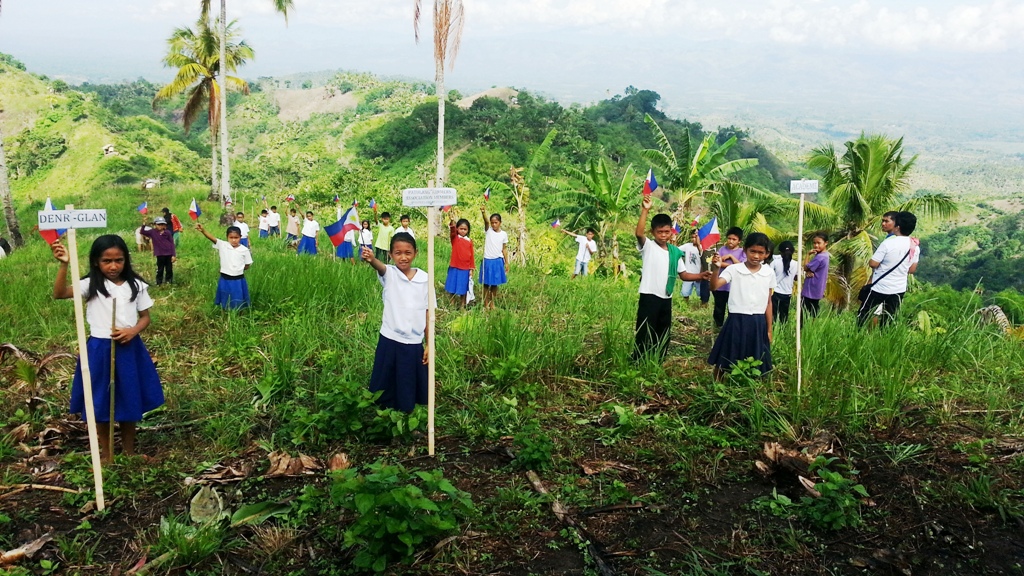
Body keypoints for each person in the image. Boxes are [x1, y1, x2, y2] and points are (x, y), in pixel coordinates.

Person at [50, 235, 164, 463]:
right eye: (107, 261)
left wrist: (132, 331)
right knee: (100, 400)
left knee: (129, 396)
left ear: (126, 260)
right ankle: (107, 453)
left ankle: (130, 451)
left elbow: (145, 317)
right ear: (95, 262)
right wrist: (64, 264)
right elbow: (60, 293)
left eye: (119, 260)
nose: (113, 266)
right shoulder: (91, 285)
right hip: (99, 350)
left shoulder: (136, 285)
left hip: (128, 348)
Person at [362, 233, 433, 413]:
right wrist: (371, 259)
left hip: (413, 342)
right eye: (398, 253)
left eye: (408, 252)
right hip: (390, 339)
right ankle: (383, 415)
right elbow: (380, 267)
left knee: (407, 380)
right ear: (391, 255)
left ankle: (405, 415)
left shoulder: (425, 280)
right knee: (386, 379)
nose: (403, 257)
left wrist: (429, 344)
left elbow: (428, 313)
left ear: (416, 253)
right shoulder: (390, 274)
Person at [634, 197, 711, 360]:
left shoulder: (675, 252)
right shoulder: (648, 247)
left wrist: (700, 275)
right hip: (649, 295)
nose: (663, 235)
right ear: (653, 232)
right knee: (645, 329)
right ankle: (639, 359)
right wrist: (645, 210)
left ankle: (658, 359)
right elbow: (639, 233)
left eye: (666, 232)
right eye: (659, 232)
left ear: (671, 232)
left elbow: (683, 275)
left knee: (663, 330)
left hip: (666, 297)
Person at [708, 232, 776, 380]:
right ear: (745, 250)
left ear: (766, 254)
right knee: (727, 352)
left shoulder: (769, 273)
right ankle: (718, 383)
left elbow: (768, 302)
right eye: (753, 251)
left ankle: (752, 385)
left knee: (758, 355)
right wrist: (715, 269)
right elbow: (714, 286)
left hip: (758, 321)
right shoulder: (734, 269)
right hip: (737, 318)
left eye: (760, 253)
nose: (756, 256)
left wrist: (769, 329)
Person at [857, 211, 920, 328]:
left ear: (897, 227)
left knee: (864, 314)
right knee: (889, 318)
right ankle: (884, 340)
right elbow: (911, 270)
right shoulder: (914, 246)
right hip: (898, 288)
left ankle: (858, 337)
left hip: (880, 287)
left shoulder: (888, 243)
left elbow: (873, 263)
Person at [197, 223, 252, 310]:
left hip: (238, 279)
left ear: (240, 237)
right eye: (231, 237)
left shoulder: (244, 250)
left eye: (236, 237)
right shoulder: (223, 245)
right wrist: (203, 230)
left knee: (238, 298)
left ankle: (238, 314)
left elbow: (247, 265)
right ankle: (225, 313)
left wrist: (236, 269)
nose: (234, 240)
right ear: (227, 237)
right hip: (225, 278)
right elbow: (212, 238)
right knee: (225, 296)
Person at [712, 227, 745, 328]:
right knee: (719, 307)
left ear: (739, 241)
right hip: (721, 284)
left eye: (734, 239)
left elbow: (742, 266)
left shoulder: (742, 252)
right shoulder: (722, 249)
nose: (731, 241)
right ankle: (718, 325)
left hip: (734, 286)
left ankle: (731, 327)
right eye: (729, 238)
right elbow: (717, 263)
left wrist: (731, 256)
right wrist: (731, 265)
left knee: (733, 308)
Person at [479, 207, 509, 310]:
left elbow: (504, 249)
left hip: (497, 261)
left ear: (500, 222)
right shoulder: (489, 231)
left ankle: (492, 303)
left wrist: (506, 262)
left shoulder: (503, 234)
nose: (493, 224)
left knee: (495, 284)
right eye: (492, 223)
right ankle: (485, 304)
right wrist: (483, 212)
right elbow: (486, 221)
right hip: (488, 260)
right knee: (486, 284)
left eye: (496, 222)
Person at [445, 217, 475, 308]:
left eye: (465, 229)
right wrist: (452, 223)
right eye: (461, 229)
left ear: (468, 230)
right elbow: (452, 231)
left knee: (463, 288)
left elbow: (471, 256)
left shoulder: (469, 241)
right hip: (454, 266)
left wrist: (471, 268)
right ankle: (452, 304)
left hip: (465, 268)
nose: (463, 231)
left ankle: (463, 305)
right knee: (452, 286)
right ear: (457, 229)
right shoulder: (455, 239)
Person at [139, 216, 177, 285]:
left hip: (168, 254)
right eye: (158, 224)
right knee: (160, 269)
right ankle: (159, 283)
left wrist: (174, 255)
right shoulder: (152, 232)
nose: (160, 226)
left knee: (169, 269)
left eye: (162, 224)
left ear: (164, 225)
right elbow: (142, 231)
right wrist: (144, 224)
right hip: (160, 254)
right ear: (155, 225)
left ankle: (169, 281)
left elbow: (172, 244)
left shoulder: (167, 232)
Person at [802, 232, 830, 318]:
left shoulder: (820, 257)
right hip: (817, 290)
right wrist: (809, 272)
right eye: (814, 243)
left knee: (804, 314)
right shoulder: (825, 255)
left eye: (819, 243)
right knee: (813, 312)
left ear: (826, 243)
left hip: (811, 290)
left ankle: (802, 330)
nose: (816, 245)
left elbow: (806, 267)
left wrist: (808, 255)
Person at [770, 241, 796, 323]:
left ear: (780, 252)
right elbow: (796, 278)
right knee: (784, 316)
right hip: (787, 293)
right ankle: (783, 331)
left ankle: (773, 331)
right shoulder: (796, 264)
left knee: (773, 314)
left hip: (776, 292)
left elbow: (769, 275)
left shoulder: (775, 262)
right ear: (792, 252)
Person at [680, 230, 706, 304]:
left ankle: (703, 306)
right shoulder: (687, 246)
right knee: (685, 292)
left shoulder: (703, 247)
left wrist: (701, 274)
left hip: (699, 274)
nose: (694, 239)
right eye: (692, 237)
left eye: (696, 237)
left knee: (701, 293)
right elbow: (676, 250)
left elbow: (704, 260)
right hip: (688, 274)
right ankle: (685, 305)